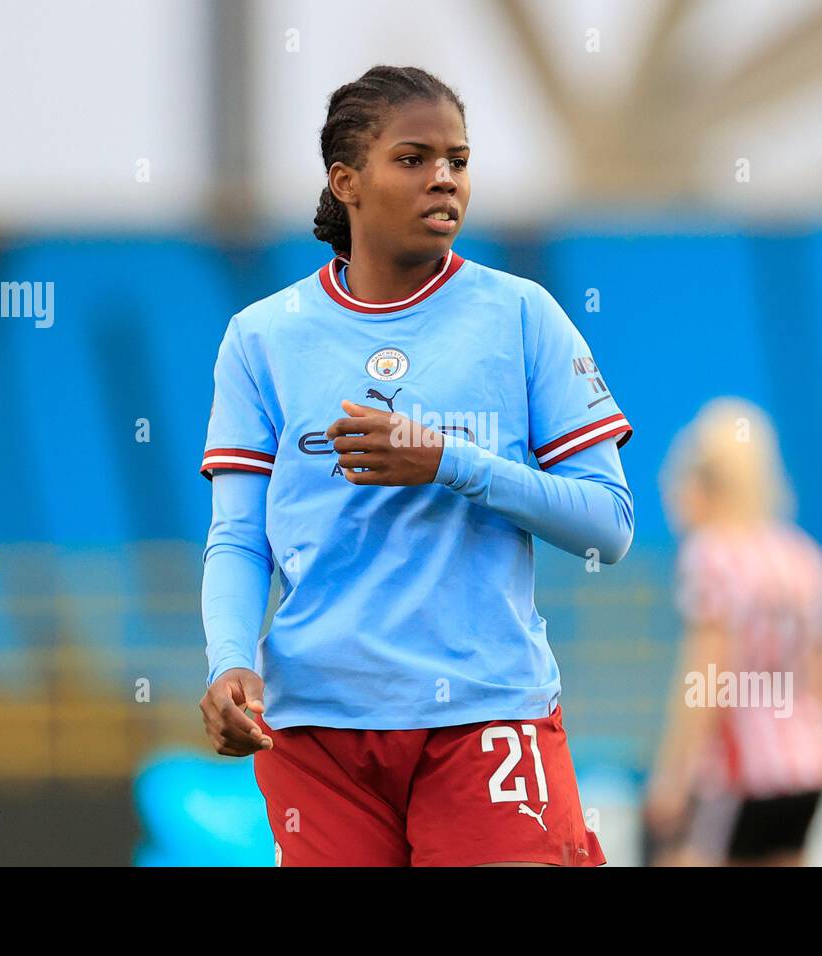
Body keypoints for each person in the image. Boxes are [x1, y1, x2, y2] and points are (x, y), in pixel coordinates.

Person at [197, 66, 635, 866]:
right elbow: (239, 536)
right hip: (319, 733)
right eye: (414, 158)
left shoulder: (522, 315)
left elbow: (609, 527)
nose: (444, 177)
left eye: (458, 160)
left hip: (487, 714)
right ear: (347, 181)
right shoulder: (263, 337)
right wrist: (230, 662)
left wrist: (449, 462)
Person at [644, 398, 822, 866]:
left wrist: (671, 778)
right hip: (811, 763)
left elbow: (707, 677)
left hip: (743, 770)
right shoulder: (807, 558)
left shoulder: (712, 553)